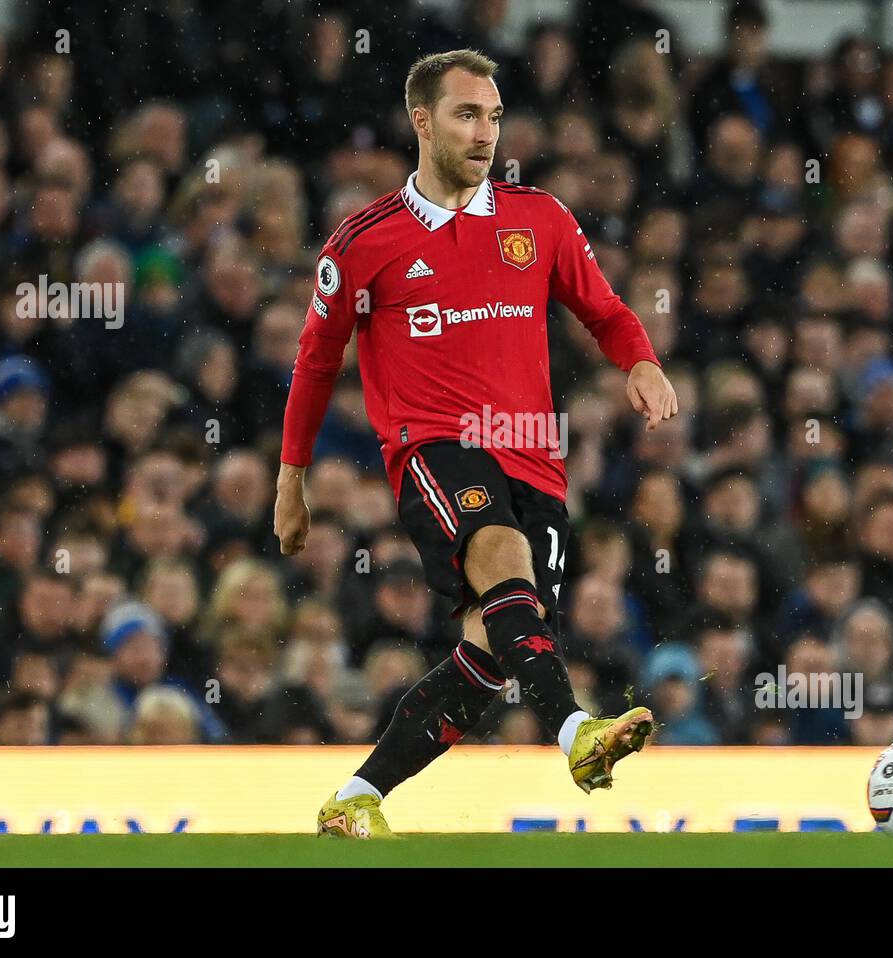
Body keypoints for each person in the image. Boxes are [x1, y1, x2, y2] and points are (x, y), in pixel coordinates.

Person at [273, 49, 678, 837]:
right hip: (433, 448)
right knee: (500, 551)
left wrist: (641, 361)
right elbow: (316, 362)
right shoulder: (364, 242)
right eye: (466, 114)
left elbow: (605, 311)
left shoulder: (541, 219)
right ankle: (575, 732)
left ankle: (356, 796)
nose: (486, 132)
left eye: (493, 115)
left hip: (535, 456)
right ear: (422, 122)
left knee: (491, 655)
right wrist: (291, 482)